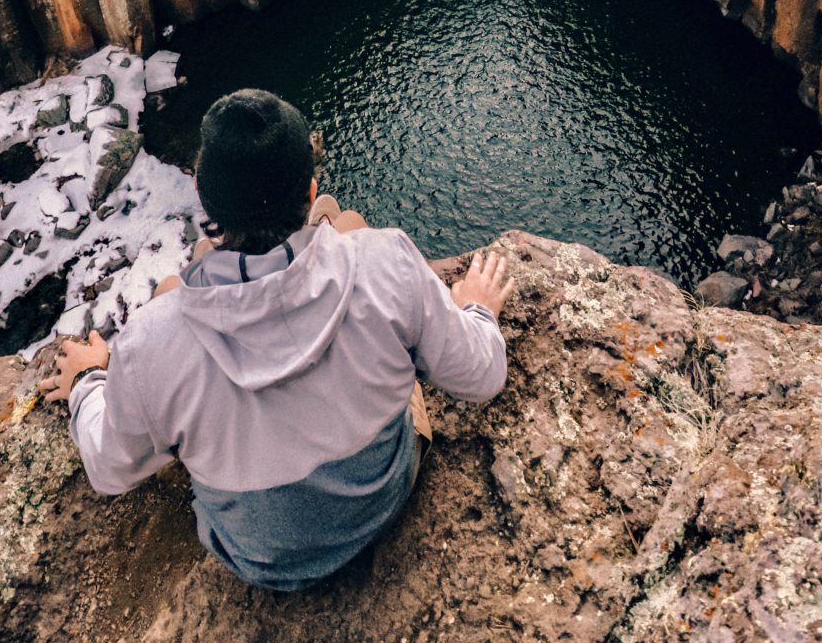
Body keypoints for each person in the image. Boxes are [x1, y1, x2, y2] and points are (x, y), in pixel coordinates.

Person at [40, 89, 515, 592]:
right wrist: (475, 307)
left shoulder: (150, 344)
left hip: (265, 560)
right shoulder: (388, 262)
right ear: (308, 192)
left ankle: (269, 243)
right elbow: (483, 375)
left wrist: (91, 381)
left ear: (201, 192)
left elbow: (109, 469)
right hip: (382, 501)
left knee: (172, 288)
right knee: (348, 225)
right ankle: (320, 229)